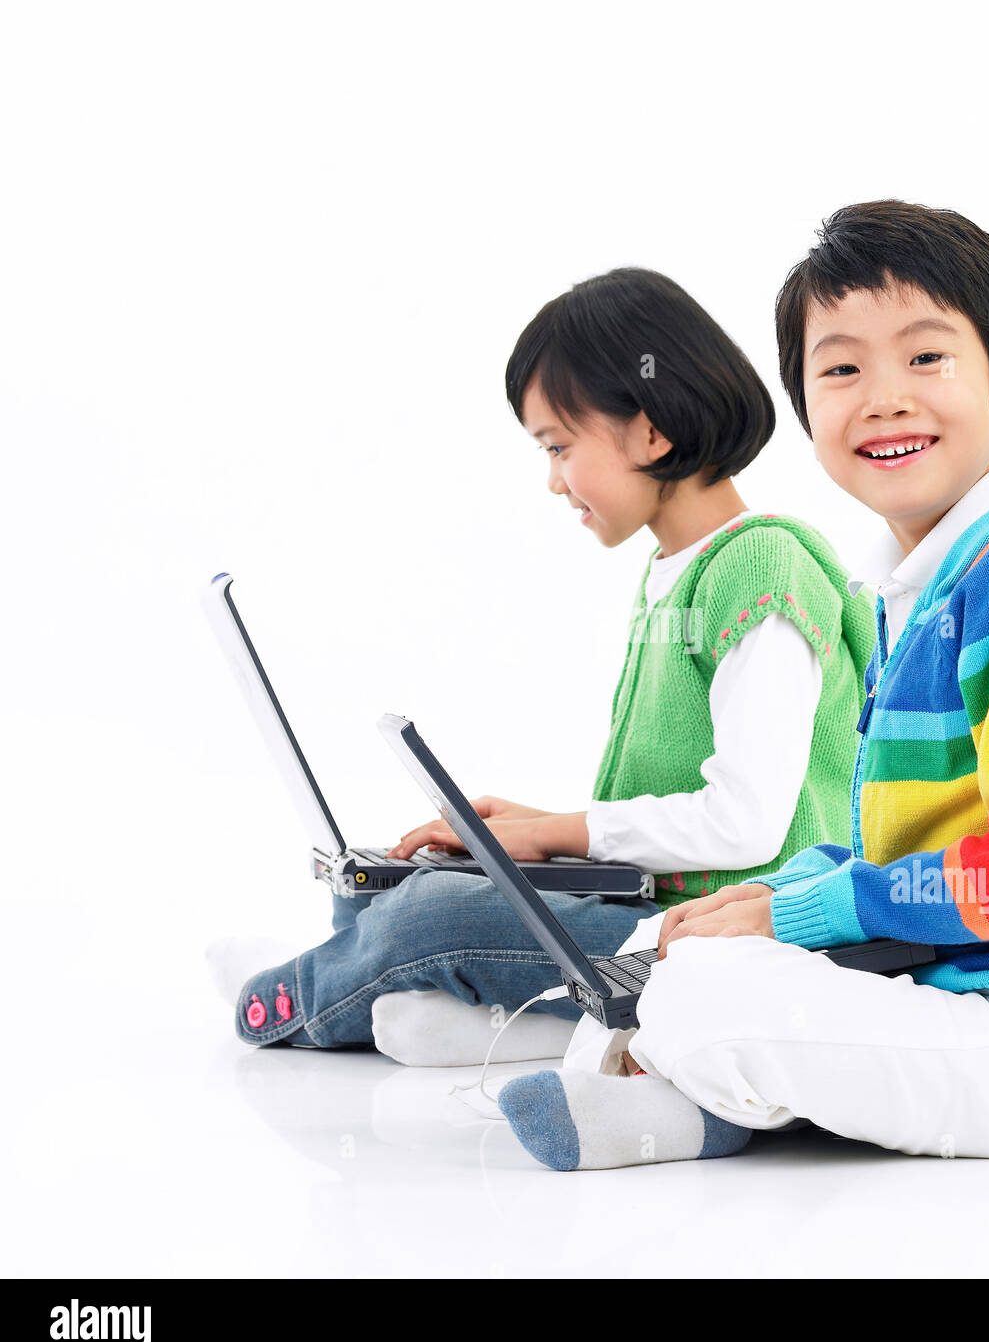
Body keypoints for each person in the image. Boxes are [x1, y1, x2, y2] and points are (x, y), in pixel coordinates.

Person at [496, 202, 989, 1168]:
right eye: (840, 369)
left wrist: (796, 913)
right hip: (950, 986)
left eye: (925, 359)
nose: (882, 398)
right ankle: (676, 1114)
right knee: (677, 942)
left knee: (705, 990)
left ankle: (669, 1081)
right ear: (808, 411)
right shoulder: (908, 591)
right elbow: (895, 848)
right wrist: (774, 894)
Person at [208, 266, 875, 1066]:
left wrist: (553, 835)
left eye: (560, 447)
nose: (554, 481)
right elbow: (671, 809)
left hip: (726, 932)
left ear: (652, 431)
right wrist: (533, 833)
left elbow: (747, 822)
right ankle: (466, 1014)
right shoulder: (677, 568)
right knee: (391, 882)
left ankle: (288, 1001)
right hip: (661, 906)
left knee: (429, 918)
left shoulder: (765, 567)